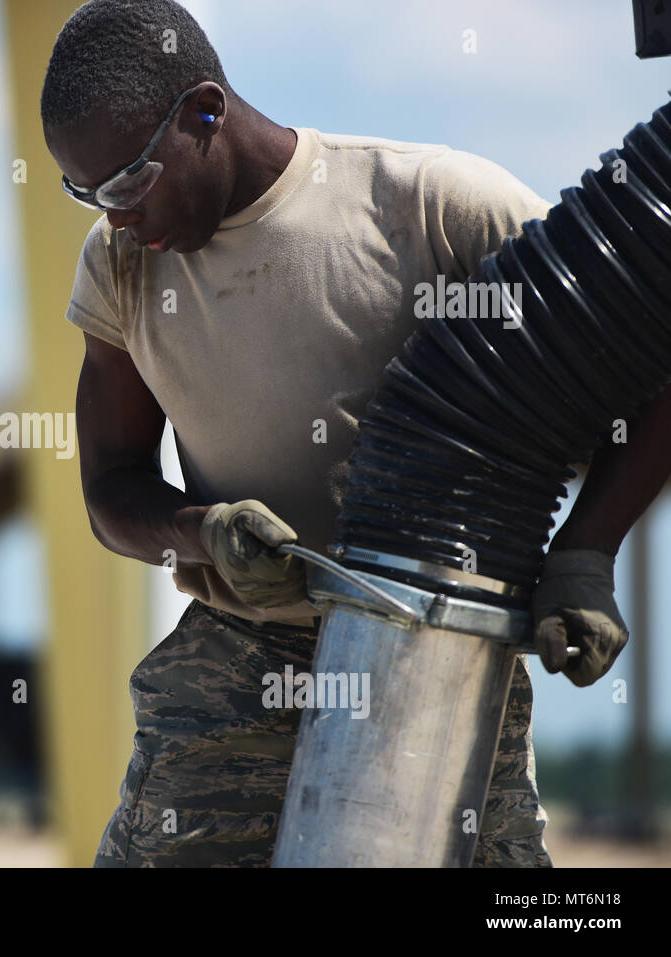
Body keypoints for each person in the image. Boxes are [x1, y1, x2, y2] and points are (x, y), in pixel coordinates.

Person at [41, 0, 670, 866]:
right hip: (239, 664)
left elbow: (651, 355)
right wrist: (201, 533)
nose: (113, 216)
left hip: (434, 658)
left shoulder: (429, 207)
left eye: (128, 182)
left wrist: (588, 551)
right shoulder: (119, 266)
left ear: (205, 113)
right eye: (86, 190)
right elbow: (109, 487)